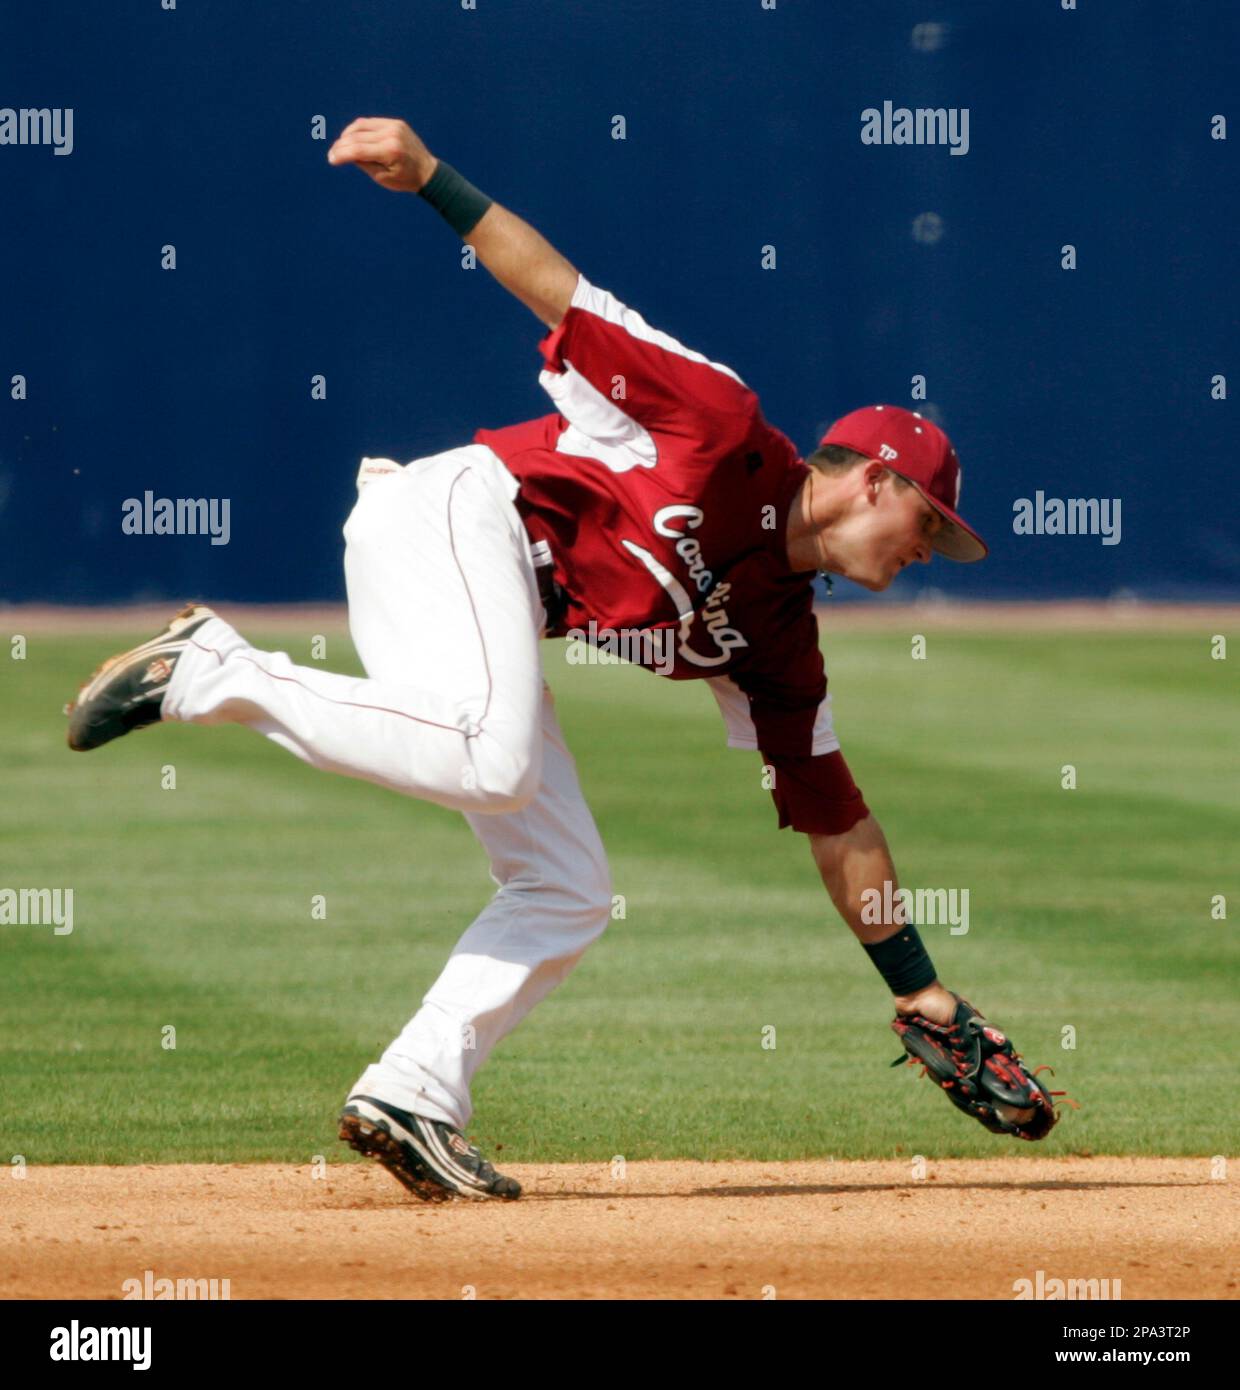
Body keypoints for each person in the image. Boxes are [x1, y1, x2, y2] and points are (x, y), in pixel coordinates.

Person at [66, 117, 1059, 1203]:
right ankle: (214, 666)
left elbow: (836, 821)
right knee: (496, 762)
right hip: (454, 516)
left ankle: (410, 1094)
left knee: (569, 883)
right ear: (872, 477)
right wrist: (432, 178)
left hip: (473, 606)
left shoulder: (778, 635)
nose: (929, 550)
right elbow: (558, 291)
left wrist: (918, 986)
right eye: (929, 523)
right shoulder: (719, 425)